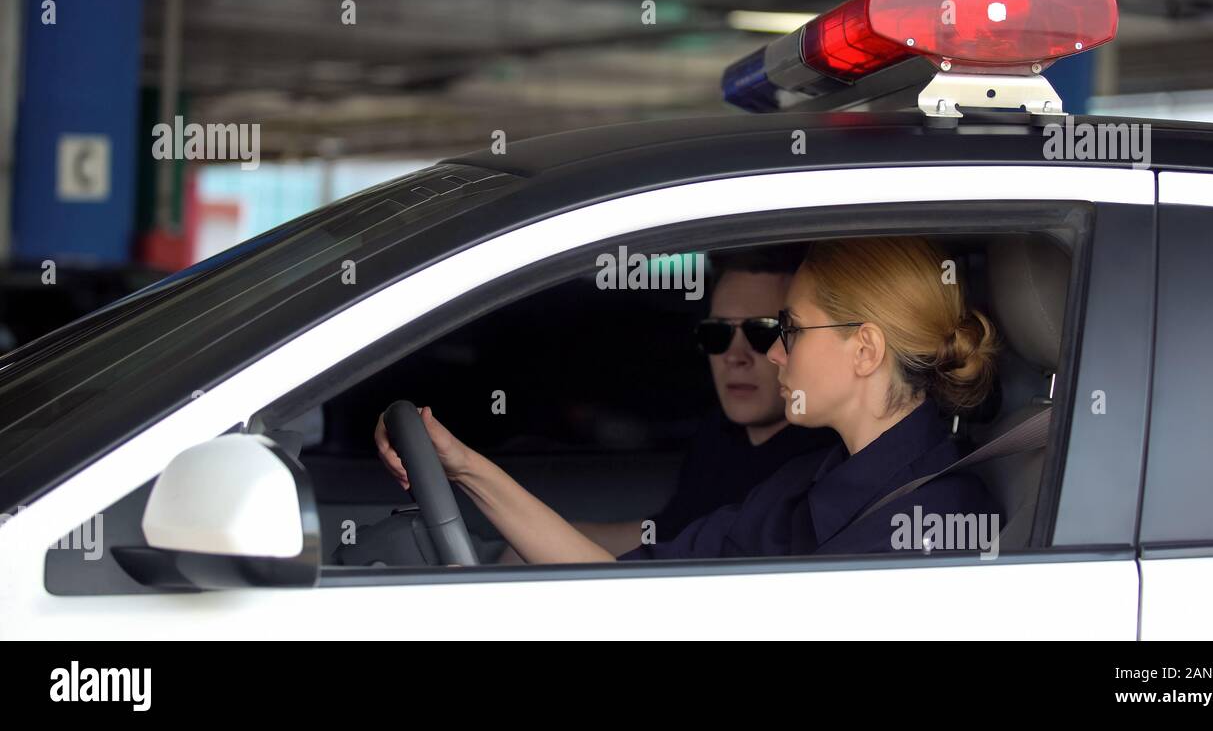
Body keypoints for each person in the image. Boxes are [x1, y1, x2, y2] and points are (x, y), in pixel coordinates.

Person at [376, 236, 1003, 563]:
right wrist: (462, 465)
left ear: (864, 351)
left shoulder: (932, 527)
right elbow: (622, 583)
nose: (773, 355)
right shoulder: (805, 484)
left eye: (786, 330)